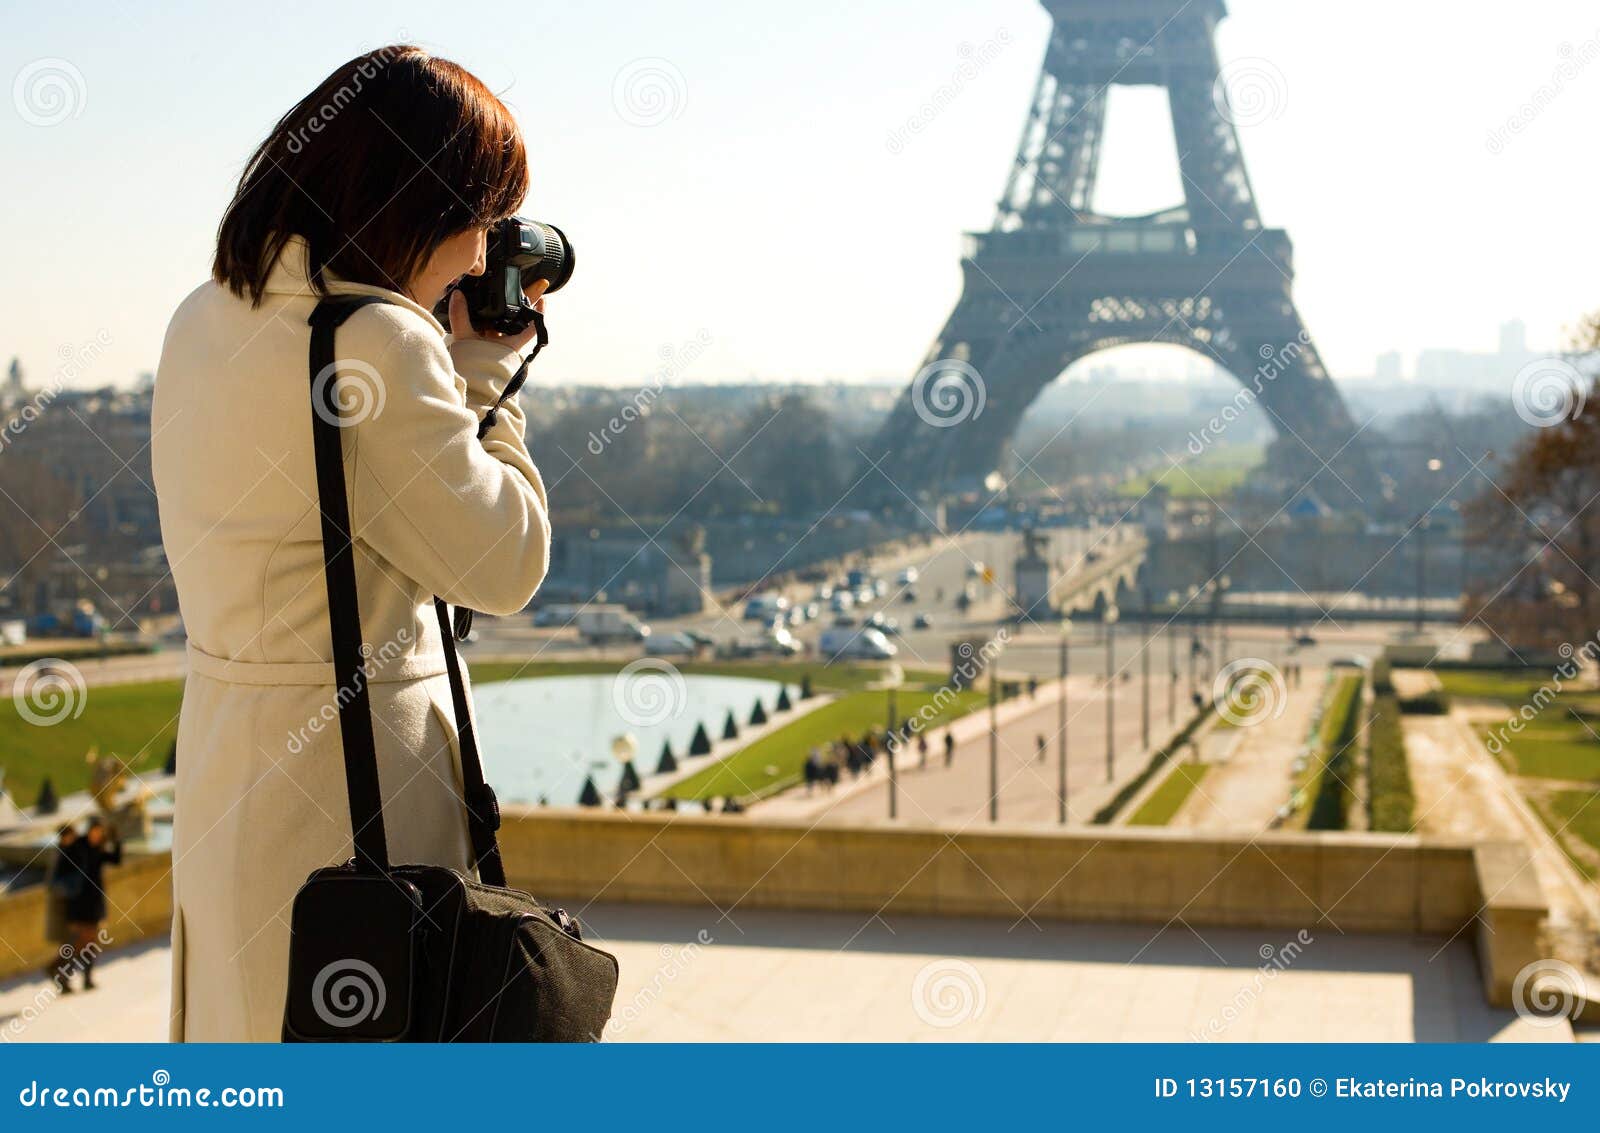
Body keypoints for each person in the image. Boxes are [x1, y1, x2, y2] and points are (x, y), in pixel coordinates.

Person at [151, 48, 552, 1042]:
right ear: (421, 203)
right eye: (480, 217)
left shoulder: (202, 319)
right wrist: (486, 382)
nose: (478, 252)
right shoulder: (378, 339)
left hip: (225, 766)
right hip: (355, 781)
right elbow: (504, 563)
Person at [63, 818, 121, 991]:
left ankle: (86, 978)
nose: (97, 835)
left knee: (91, 943)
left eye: (100, 832)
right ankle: (63, 976)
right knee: (80, 943)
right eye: (95, 831)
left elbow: (116, 860)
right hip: (79, 904)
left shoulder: (99, 849)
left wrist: (116, 840)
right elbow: (65, 868)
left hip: (94, 903)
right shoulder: (78, 846)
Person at [41, 824, 79, 993]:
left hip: (67, 909)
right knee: (69, 946)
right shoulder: (61, 855)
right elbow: (52, 884)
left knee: (70, 946)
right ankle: (57, 973)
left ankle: (62, 978)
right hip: (62, 911)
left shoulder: (67, 853)